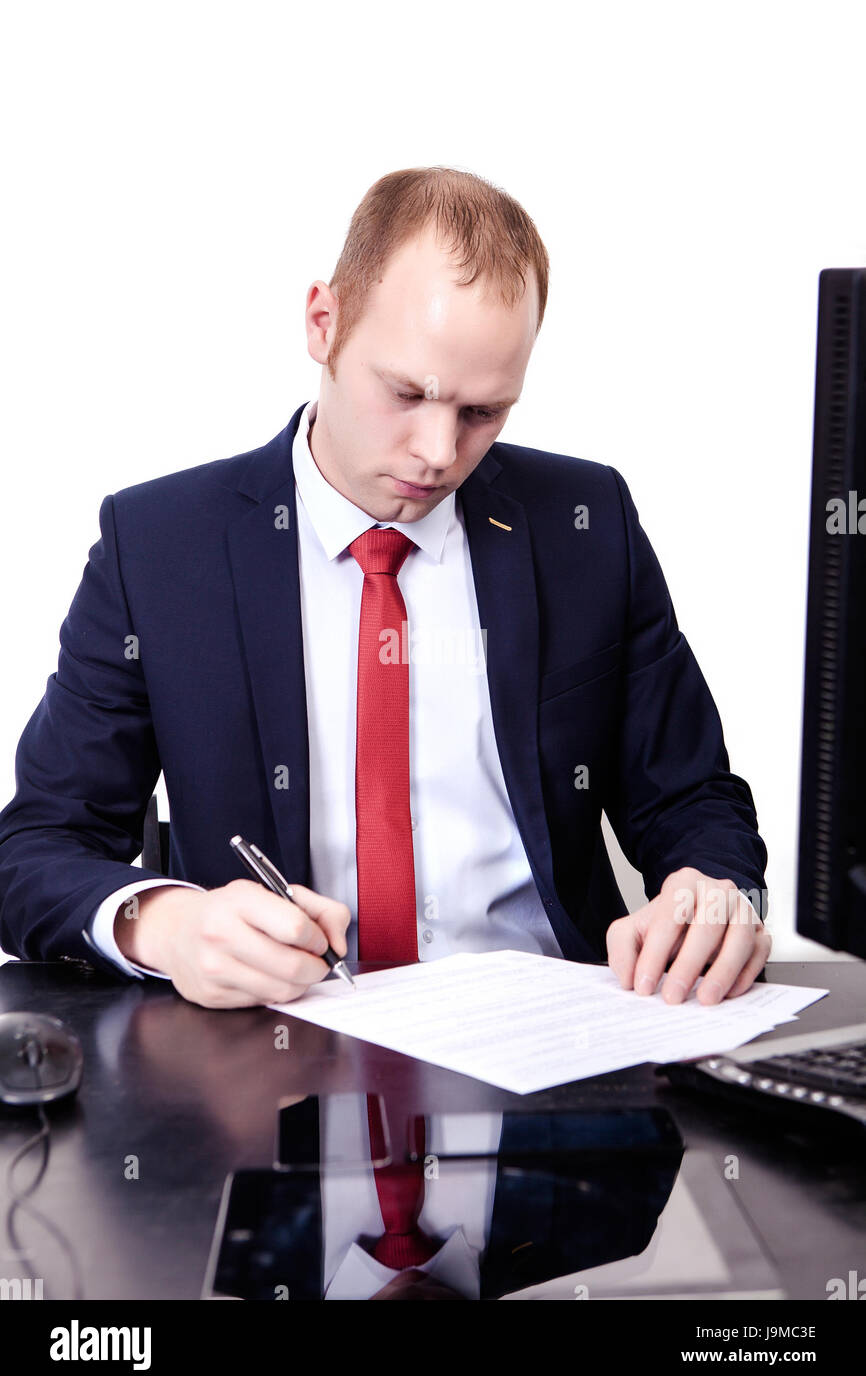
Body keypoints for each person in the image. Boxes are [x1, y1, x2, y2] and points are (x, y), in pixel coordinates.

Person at [0, 166, 770, 1011]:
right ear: (323, 324)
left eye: (484, 412)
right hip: (272, 1058)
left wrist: (709, 893)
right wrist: (167, 925)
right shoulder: (159, 547)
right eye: (407, 393)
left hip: (558, 1055)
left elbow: (691, 796)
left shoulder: (588, 525)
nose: (439, 452)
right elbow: (38, 846)